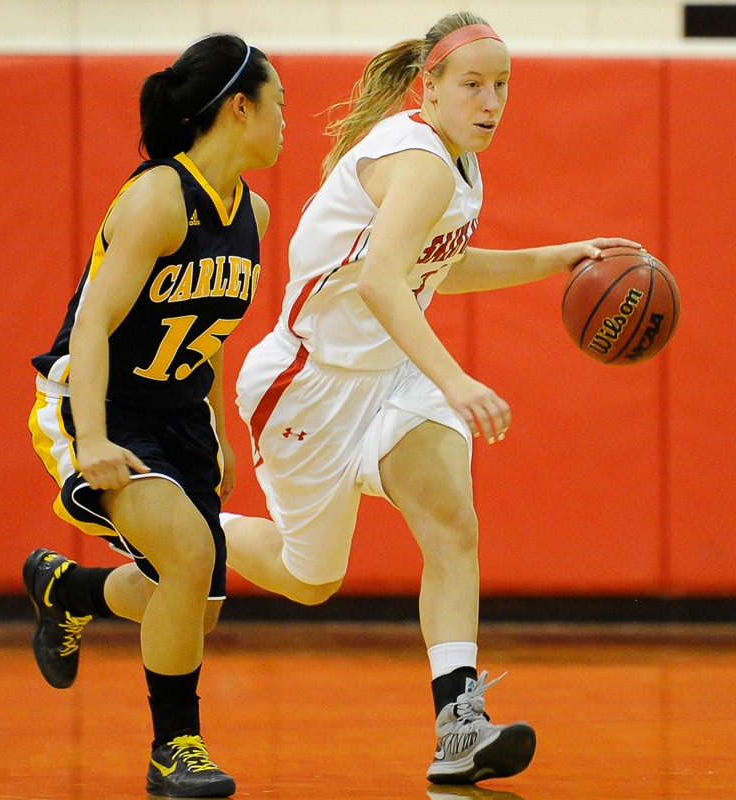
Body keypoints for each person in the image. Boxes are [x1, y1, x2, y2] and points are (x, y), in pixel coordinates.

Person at [220, 12, 642, 786]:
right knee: (309, 579)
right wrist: (457, 378)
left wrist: (560, 256)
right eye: (473, 85)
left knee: (453, 523)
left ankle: (459, 726)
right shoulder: (417, 161)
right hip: (308, 386)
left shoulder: (458, 163)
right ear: (432, 88)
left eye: (502, 85)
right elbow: (382, 278)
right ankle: (190, 532)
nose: (491, 101)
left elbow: (439, 267)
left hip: (387, 377)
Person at [24, 33, 284, 798]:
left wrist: (220, 431)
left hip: (178, 414)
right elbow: (96, 324)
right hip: (99, 403)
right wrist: (96, 437)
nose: (284, 123)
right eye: (279, 106)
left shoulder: (255, 215)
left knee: (189, 608)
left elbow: (207, 333)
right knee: (186, 557)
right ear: (240, 108)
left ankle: (64, 589)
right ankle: (176, 749)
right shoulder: (158, 198)